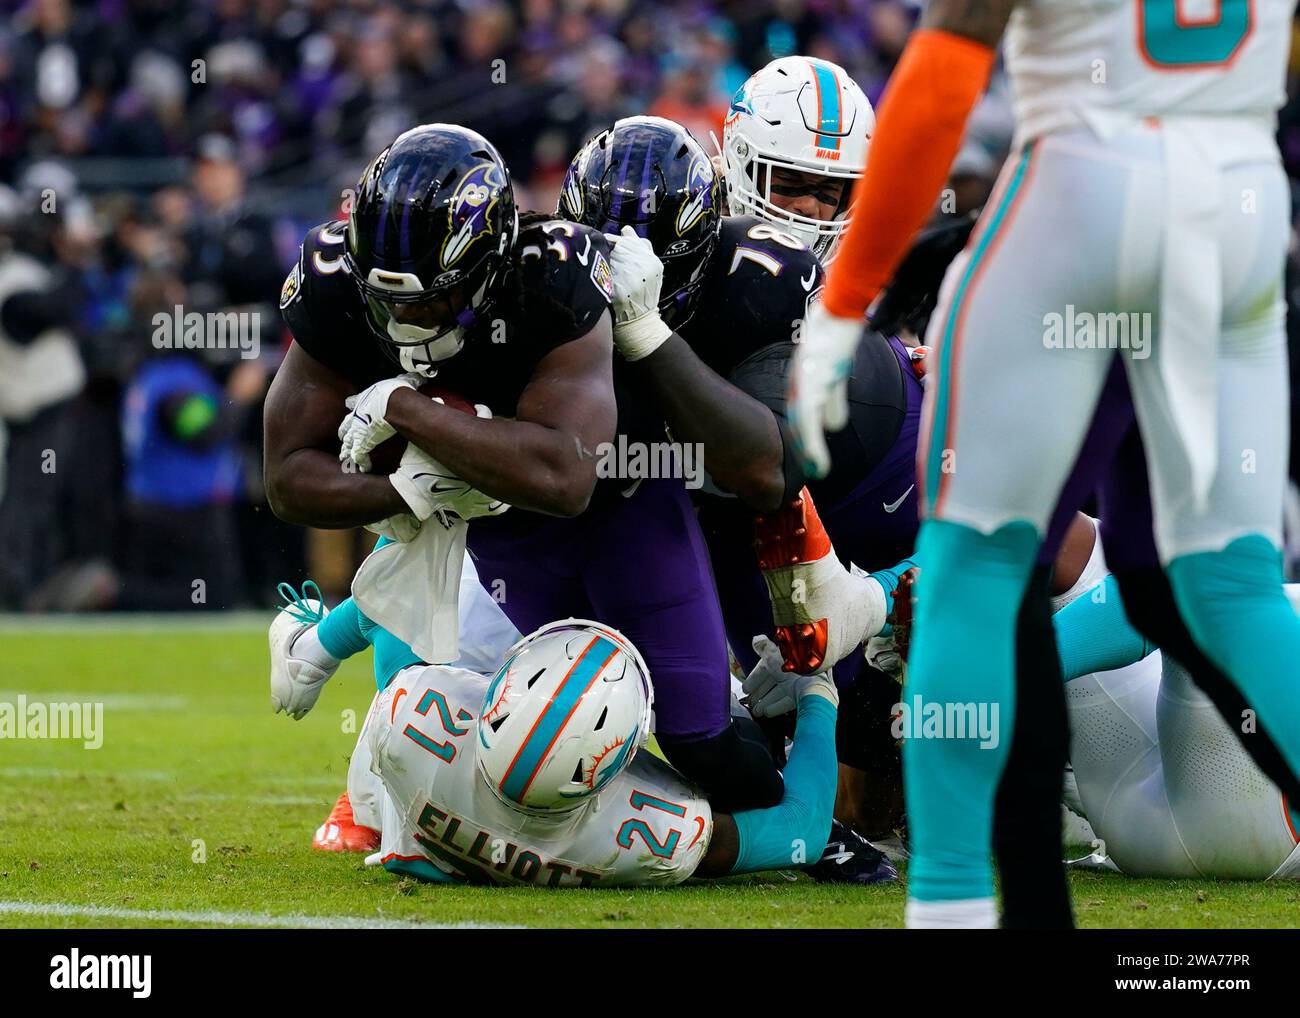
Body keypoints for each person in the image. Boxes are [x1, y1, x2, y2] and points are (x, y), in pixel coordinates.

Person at [787, 0, 1300, 927]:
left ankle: (949, 908)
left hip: (1084, 181)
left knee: (974, 571)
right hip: (1238, 198)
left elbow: (946, 65)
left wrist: (847, 298)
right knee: (1237, 587)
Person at [271, 590, 842, 887]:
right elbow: (804, 831)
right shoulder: (659, 834)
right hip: (552, 822)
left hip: (400, 793)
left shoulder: (409, 713)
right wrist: (819, 693)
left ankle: (356, 795)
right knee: (742, 745)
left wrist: (324, 640)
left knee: (424, 534)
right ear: (620, 761)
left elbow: (394, 602)